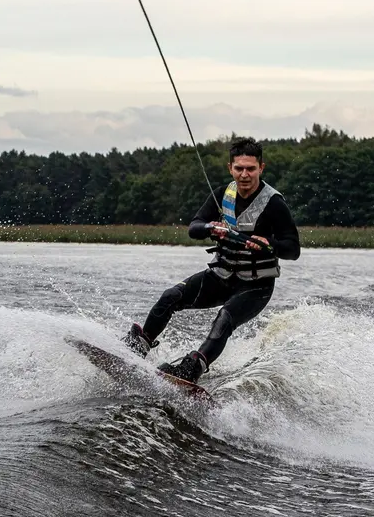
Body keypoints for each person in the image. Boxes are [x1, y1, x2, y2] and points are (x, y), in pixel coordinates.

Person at [123, 137, 301, 384]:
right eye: (239, 168)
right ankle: (139, 346)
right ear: (230, 168)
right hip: (221, 276)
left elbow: (293, 249)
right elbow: (194, 227)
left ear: (261, 168)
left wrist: (268, 244)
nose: (245, 175)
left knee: (225, 319)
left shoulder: (274, 203)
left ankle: (193, 368)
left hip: (256, 286)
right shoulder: (221, 194)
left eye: (251, 169)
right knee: (170, 296)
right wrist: (210, 227)